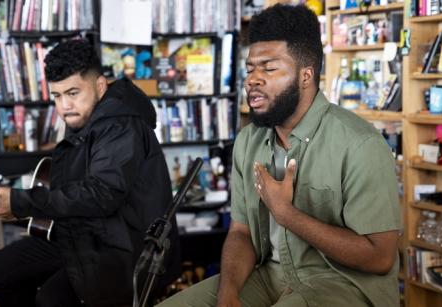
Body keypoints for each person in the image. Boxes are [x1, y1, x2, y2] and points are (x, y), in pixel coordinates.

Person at [157, 4, 400, 307]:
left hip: (343, 283)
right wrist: (228, 292)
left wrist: (287, 215)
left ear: (305, 75)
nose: (252, 80)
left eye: (269, 69)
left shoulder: (361, 145)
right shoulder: (248, 141)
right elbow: (241, 231)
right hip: (270, 276)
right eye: (249, 70)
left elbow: (380, 257)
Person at [0, 39, 179, 307]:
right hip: (82, 233)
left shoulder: (120, 124)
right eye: (57, 96)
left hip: (120, 248)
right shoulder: (86, 117)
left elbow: (102, 193)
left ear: (99, 86)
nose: (64, 107)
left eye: (73, 93)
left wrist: (19, 202)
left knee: (50, 300)